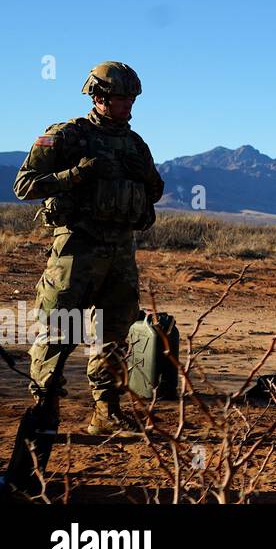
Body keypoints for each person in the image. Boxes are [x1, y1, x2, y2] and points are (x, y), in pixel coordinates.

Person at [12, 61, 164, 437]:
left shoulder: (135, 143)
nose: (129, 104)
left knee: (115, 333)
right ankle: (44, 412)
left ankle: (105, 411)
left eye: (131, 98)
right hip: (75, 251)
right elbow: (24, 185)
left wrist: (143, 174)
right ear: (98, 98)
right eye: (121, 98)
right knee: (58, 330)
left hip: (120, 252)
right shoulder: (64, 135)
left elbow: (155, 191)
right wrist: (76, 174)